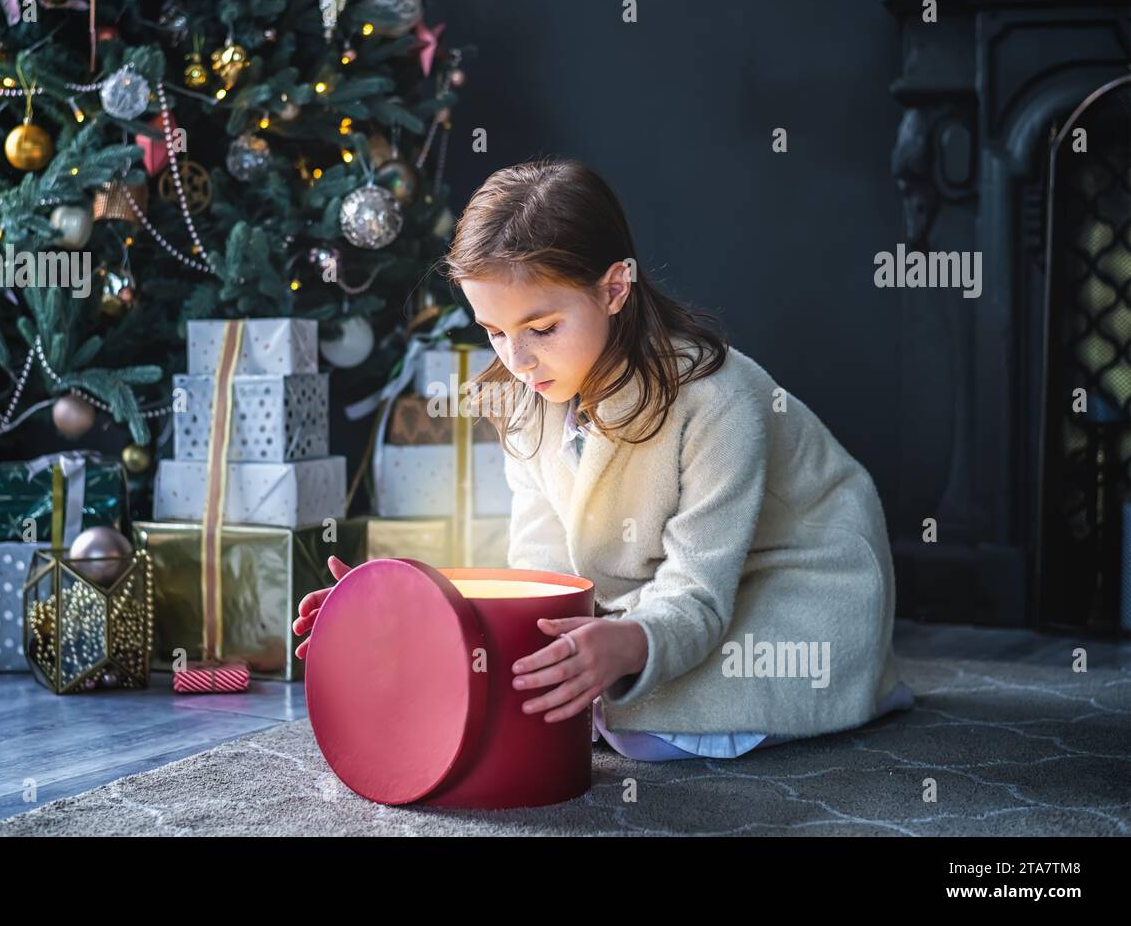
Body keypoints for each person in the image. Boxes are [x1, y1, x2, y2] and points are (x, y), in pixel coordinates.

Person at [295, 157, 913, 761]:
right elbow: (540, 571)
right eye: (493, 331)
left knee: (634, 724)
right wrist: (411, 612)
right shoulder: (527, 396)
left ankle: (854, 687)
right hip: (660, 594)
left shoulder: (716, 401)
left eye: (542, 328)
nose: (518, 360)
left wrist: (631, 642)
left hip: (799, 582)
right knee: (541, 692)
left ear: (615, 288)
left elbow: (698, 592)